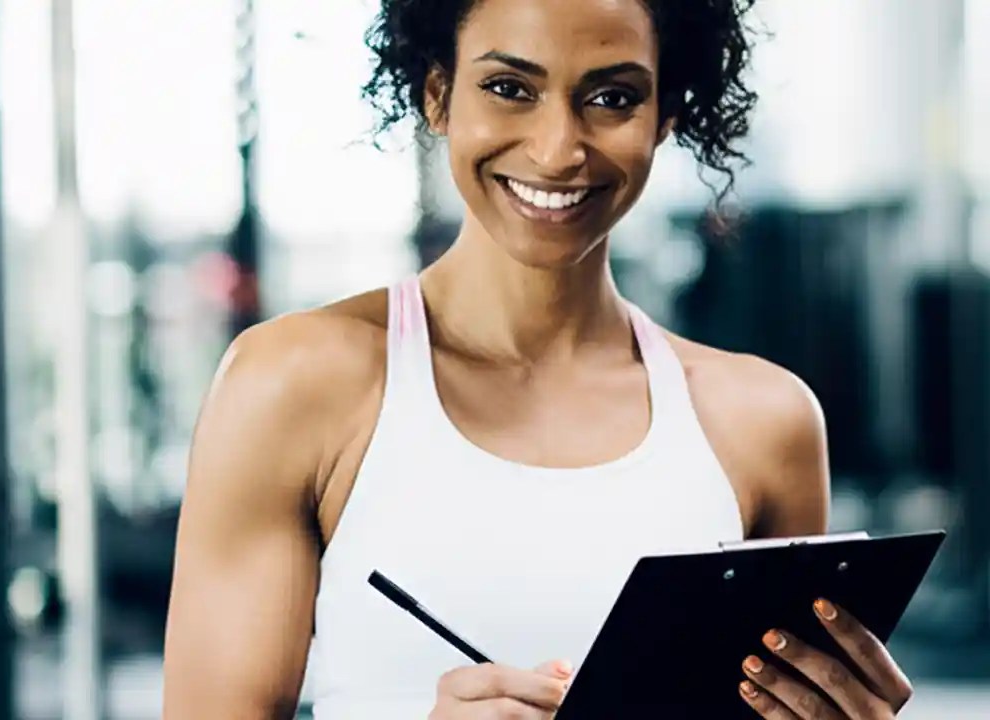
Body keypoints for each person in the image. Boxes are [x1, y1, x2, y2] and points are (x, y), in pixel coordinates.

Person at [162, 0, 916, 718]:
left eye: (614, 97)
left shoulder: (763, 422)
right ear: (437, 95)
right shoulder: (294, 384)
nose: (558, 150)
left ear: (666, 117)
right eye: (508, 88)